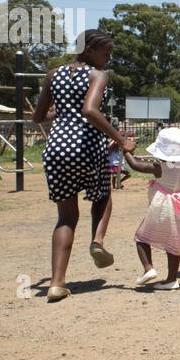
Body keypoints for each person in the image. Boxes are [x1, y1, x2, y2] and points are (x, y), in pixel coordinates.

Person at [33, 29, 135, 302]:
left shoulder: (53, 74)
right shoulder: (97, 75)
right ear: (89, 50)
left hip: (56, 149)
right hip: (87, 146)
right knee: (102, 196)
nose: (109, 58)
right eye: (106, 52)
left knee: (66, 217)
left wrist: (63, 112)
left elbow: (39, 116)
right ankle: (97, 240)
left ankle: (55, 283)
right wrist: (120, 139)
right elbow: (90, 111)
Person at [126, 126, 180, 290]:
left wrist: (125, 150)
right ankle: (171, 279)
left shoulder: (161, 168)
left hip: (162, 207)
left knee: (141, 237)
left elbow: (135, 165)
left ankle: (148, 268)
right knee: (174, 244)